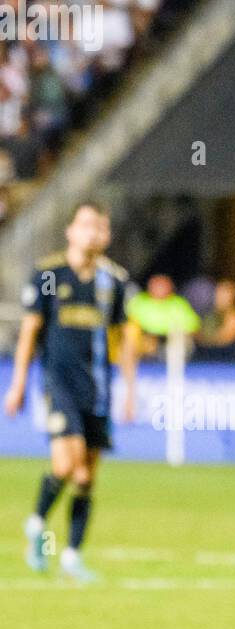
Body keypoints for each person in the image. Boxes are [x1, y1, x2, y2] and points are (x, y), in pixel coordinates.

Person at [3, 201, 137, 580]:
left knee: (85, 478)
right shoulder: (49, 274)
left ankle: (71, 555)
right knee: (68, 463)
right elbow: (30, 331)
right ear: (71, 232)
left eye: (100, 227)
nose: (94, 232)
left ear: (107, 235)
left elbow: (125, 336)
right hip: (58, 384)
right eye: (87, 225)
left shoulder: (115, 281)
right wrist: (17, 384)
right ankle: (37, 528)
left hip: (98, 388)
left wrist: (129, 391)